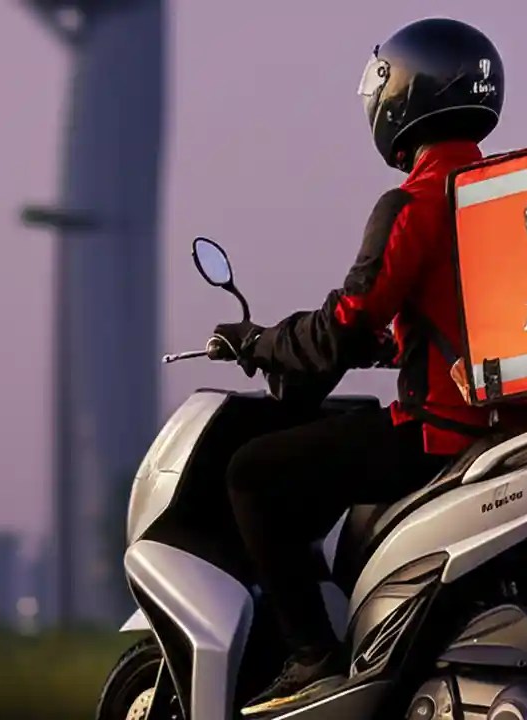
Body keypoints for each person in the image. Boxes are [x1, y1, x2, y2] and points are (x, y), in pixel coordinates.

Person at [210, 17, 506, 716]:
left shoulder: (419, 200)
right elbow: (460, 318)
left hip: (439, 434)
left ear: (399, 99)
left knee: (251, 474)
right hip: (508, 424)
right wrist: (396, 348)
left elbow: (349, 320)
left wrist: (260, 344)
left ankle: (313, 653)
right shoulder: (508, 197)